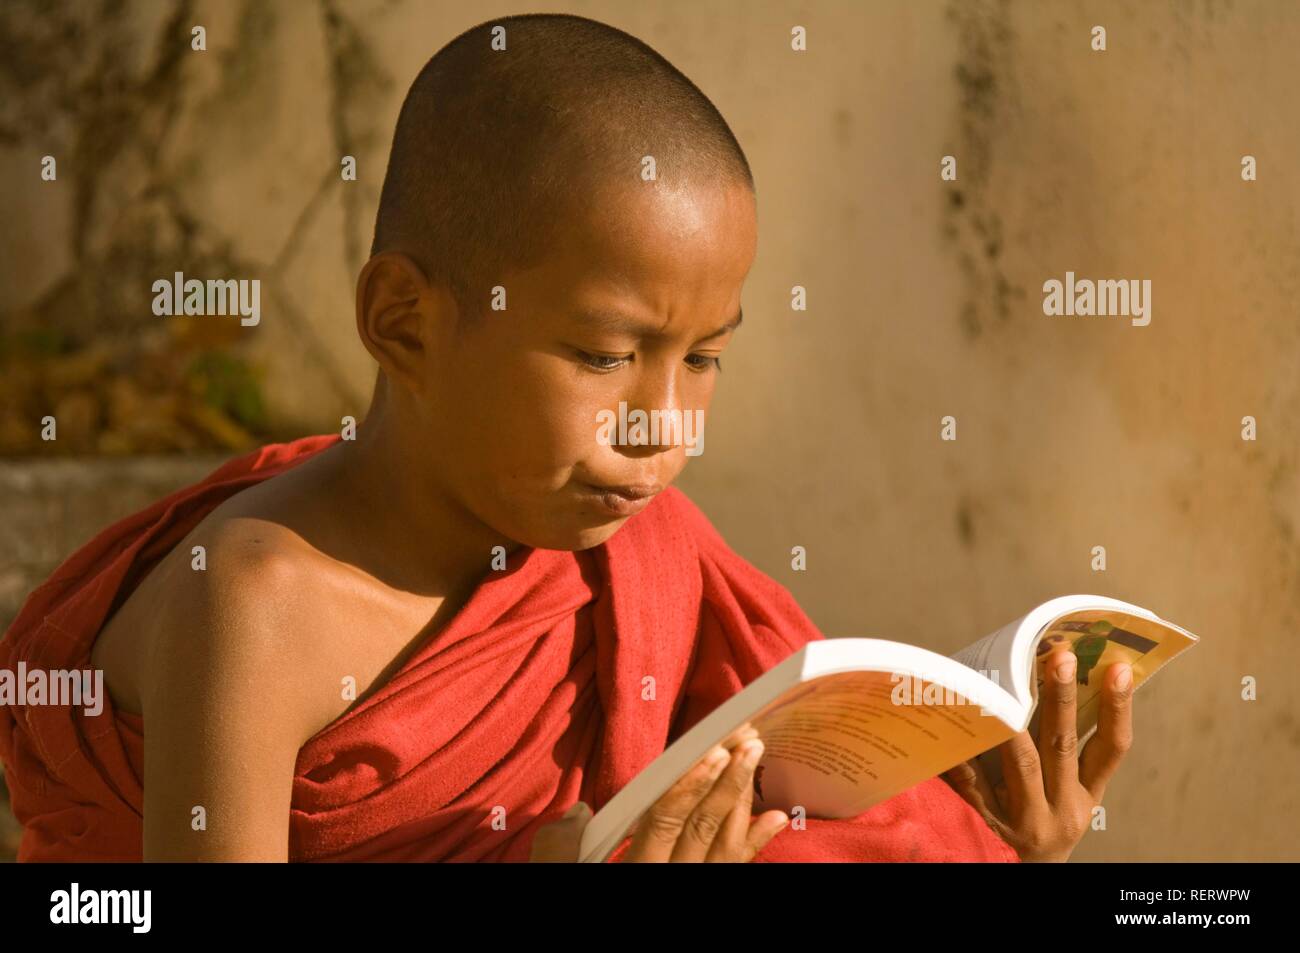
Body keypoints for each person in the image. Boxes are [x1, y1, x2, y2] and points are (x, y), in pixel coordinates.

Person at [0, 13, 1133, 863]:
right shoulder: (255, 604)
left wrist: (988, 835)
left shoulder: (635, 561)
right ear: (404, 322)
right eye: (602, 357)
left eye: (701, 358)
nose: (664, 428)